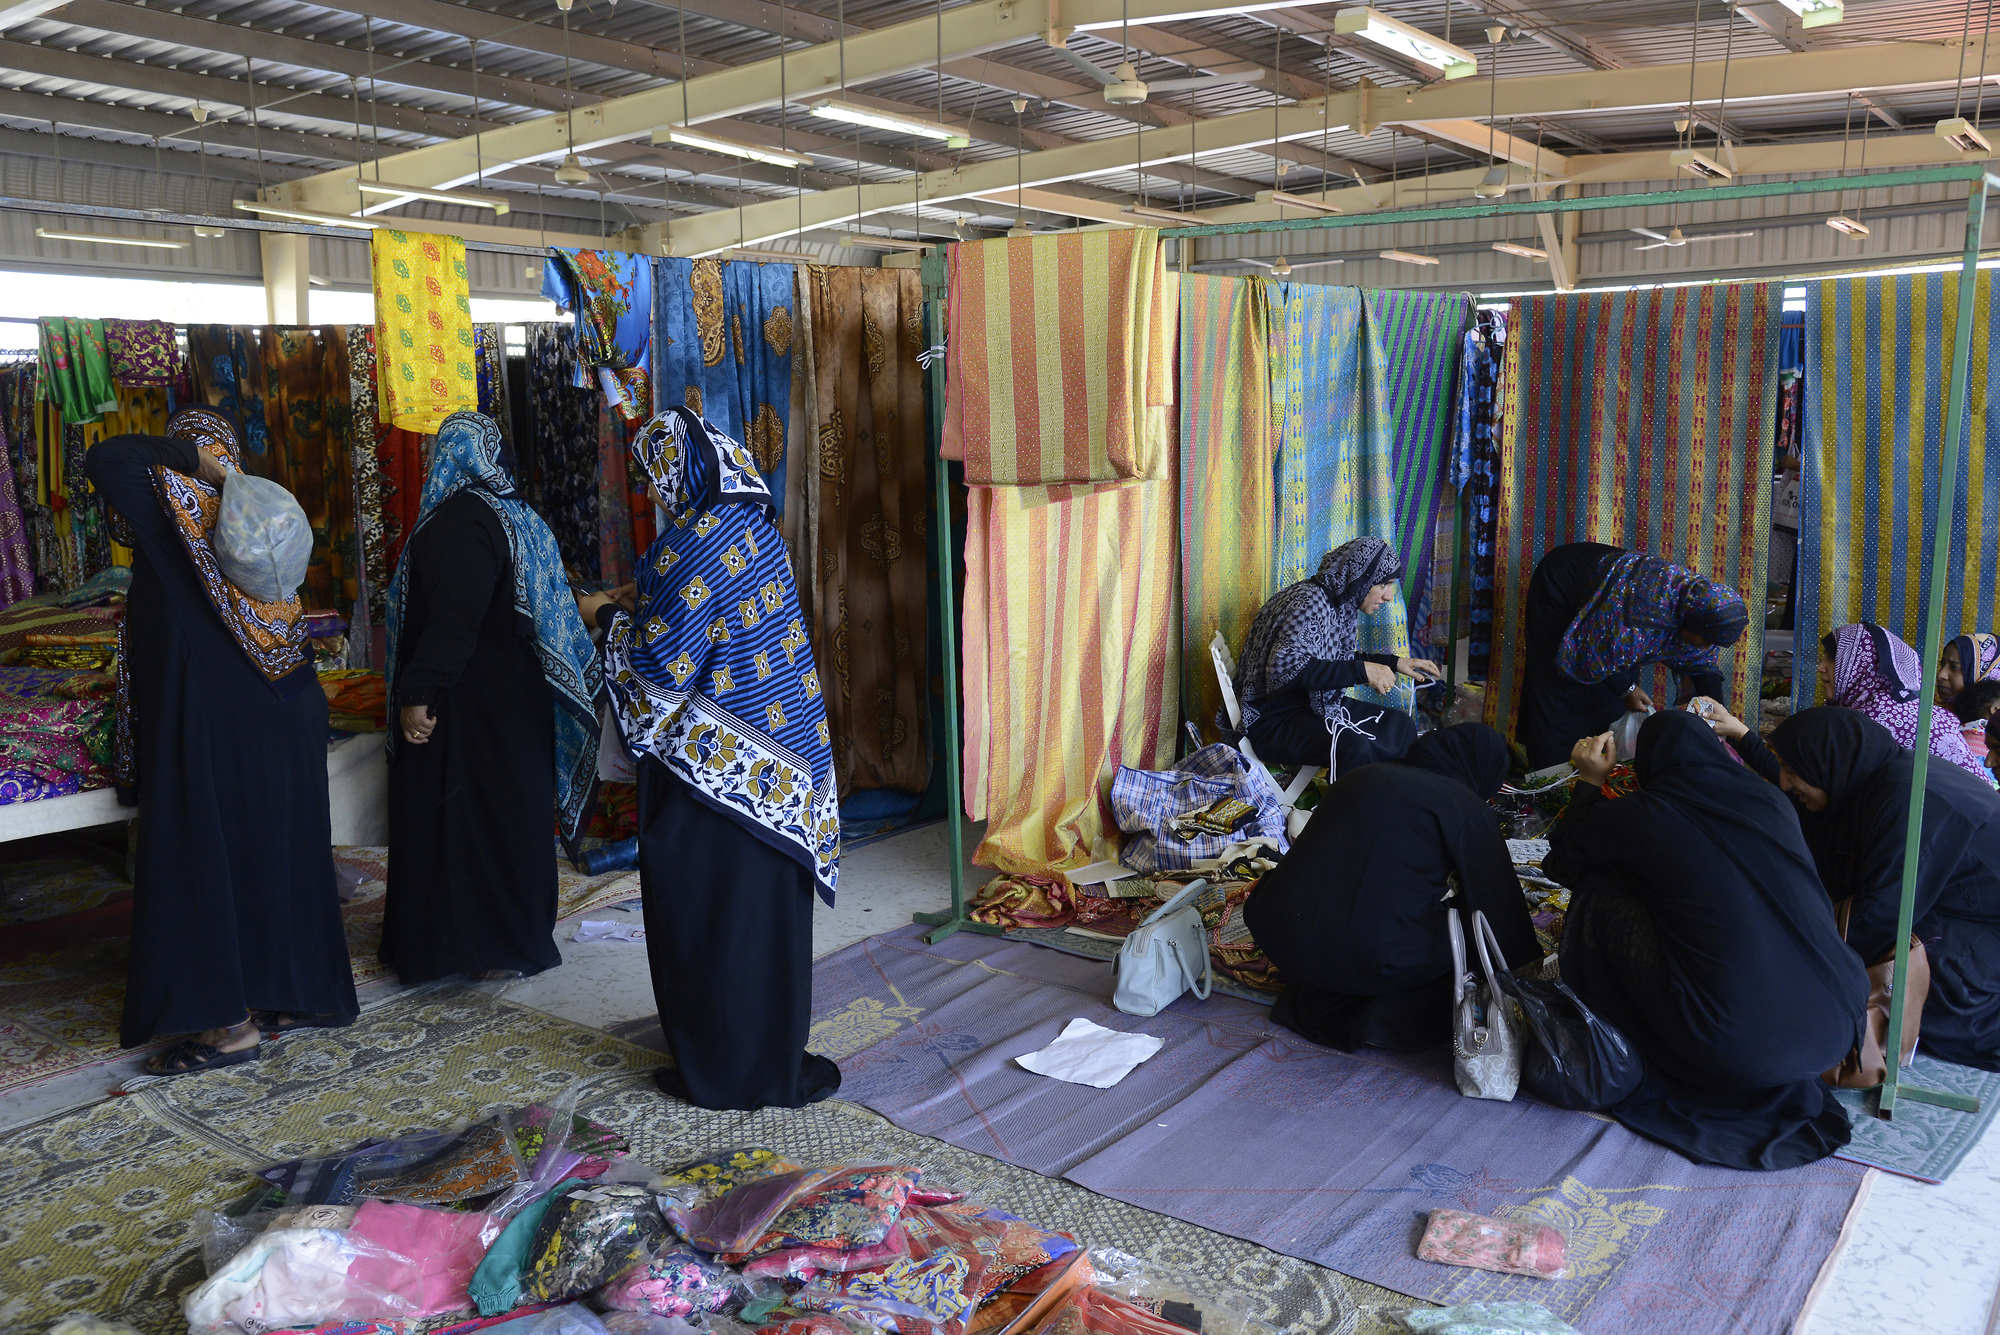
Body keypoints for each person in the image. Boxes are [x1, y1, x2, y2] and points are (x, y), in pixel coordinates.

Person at [586, 406, 842, 1110]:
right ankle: (770, 1058)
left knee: (711, 924)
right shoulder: (758, 534)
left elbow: (655, 676)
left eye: (657, 477)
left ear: (681, 473)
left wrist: (606, 620)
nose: (655, 492)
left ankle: (724, 1072)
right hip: (788, 767)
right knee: (766, 927)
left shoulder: (685, 549)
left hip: (716, 783)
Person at [87, 408, 356, 1074]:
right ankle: (290, 995)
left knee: (199, 859)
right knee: (276, 855)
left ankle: (226, 1028)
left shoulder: (174, 506)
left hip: (215, 715)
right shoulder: (250, 519)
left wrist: (186, 460)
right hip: (287, 704)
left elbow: (106, 458)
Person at [1546, 713, 1867, 1170]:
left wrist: (1590, 782)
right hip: (1837, 1023)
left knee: (1602, 890)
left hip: (1735, 1047)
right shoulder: (1769, 801)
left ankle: (1624, 1035)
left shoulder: (1646, 812)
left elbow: (1561, 864)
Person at [381, 412, 603, 984]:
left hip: (466, 708)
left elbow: (454, 618)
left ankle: (458, 947)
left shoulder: (461, 521)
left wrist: (420, 691)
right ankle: (511, 938)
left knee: (459, 823)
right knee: (506, 821)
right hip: (512, 703)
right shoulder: (516, 516)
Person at [1698, 703, 2000, 1073]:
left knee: (1904, 974)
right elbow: (1799, 791)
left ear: (1830, 765)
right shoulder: (1867, 776)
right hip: (1954, 901)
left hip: (1986, 930)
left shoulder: (1904, 801)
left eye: (1794, 771)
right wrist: (1742, 737)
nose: (1786, 782)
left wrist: (1788, 956)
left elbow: (1881, 914)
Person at [1245, 723, 1538, 1052]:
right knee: (1467, 929)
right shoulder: (1465, 806)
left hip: (1282, 939)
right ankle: (1382, 1017)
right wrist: (1528, 976)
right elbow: (1499, 909)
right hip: (1368, 958)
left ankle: (1336, 981)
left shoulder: (1359, 775)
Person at [1514, 543, 1748, 770]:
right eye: (1705, 639)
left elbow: (1702, 664)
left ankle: (1597, 772)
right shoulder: (1641, 609)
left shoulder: (1699, 610)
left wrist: (1716, 715)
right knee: (1562, 692)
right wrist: (1626, 688)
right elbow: (1593, 651)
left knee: (1610, 703)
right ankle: (1552, 777)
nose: (1706, 646)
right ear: (1693, 621)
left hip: (1614, 620)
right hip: (1562, 590)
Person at [1230, 537, 1436, 777]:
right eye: (1383, 584)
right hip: (1271, 721)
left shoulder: (1333, 602)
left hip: (1303, 706)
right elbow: (1283, 668)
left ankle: (1394, 796)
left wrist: (1394, 662)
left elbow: (1331, 657)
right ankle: (1352, 811)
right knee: (1353, 748)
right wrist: (1361, 671)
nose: (1389, 595)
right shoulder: (1309, 603)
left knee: (1399, 727)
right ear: (1359, 577)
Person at [1819, 623, 1987, 781]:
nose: (1821, 667)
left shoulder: (1875, 719)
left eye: (1831, 658)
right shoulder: (1892, 707)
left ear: (1862, 664)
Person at [1938, 630, 2000, 709]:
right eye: (1942, 664)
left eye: (1954, 667)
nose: (1940, 675)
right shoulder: (1926, 711)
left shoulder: (1993, 720)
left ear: (1985, 674)